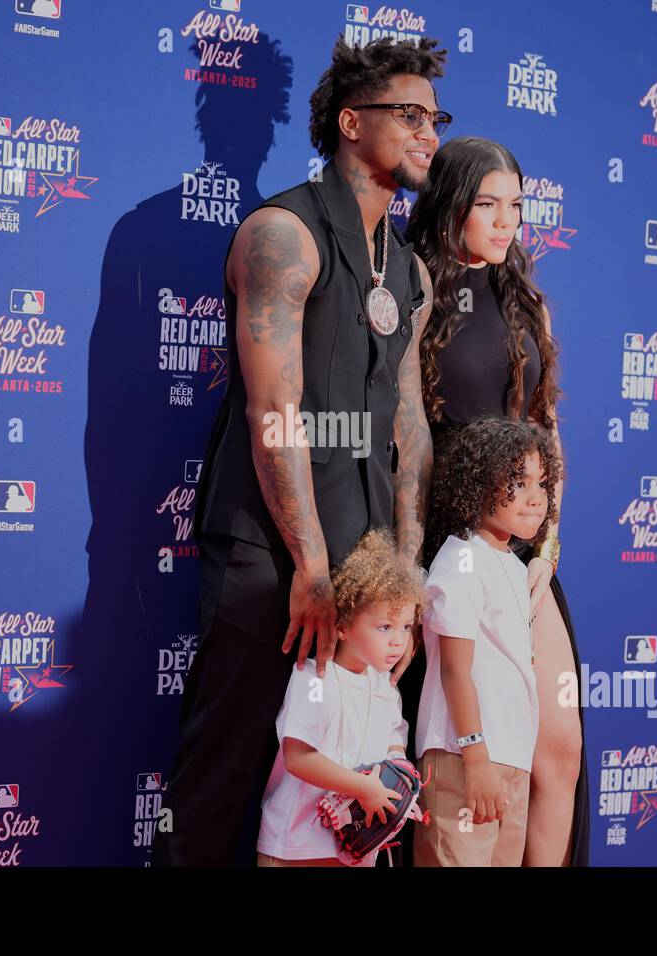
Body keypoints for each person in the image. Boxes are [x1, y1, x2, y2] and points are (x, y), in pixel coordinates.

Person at [152, 35, 448, 866]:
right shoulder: (282, 233)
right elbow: (272, 411)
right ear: (352, 123)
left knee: (345, 783)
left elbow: (410, 427)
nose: (430, 133)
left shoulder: (411, 271)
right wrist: (310, 566)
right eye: (410, 115)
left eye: (436, 118)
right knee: (224, 763)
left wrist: (406, 571)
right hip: (270, 548)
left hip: (362, 561)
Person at [404, 136, 589, 867]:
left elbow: (545, 428)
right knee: (466, 766)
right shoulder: (411, 283)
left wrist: (546, 542)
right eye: (488, 204)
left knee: (560, 749)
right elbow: (399, 431)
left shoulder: (522, 297)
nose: (507, 220)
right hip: (452, 554)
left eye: (516, 204)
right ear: (450, 202)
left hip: (528, 555)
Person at [413, 418, 562, 866]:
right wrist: (476, 759)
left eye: (542, 482)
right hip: (464, 762)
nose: (536, 497)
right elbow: (456, 671)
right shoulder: (462, 560)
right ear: (477, 484)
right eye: (518, 483)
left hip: (509, 766)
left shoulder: (516, 569)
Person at [256, 528, 422, 867]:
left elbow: (394, 742)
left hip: (355, 848)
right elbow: (299, 758)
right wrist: (364, 788)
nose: (398, 641)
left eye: (406, 627)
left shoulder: (385, 687)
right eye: (385, 627)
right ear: (343, 625)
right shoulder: (315, 676)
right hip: (296, 846)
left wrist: (397, 783)